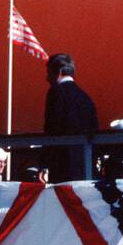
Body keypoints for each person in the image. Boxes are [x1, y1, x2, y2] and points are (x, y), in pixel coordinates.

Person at [42, 53, 98, 183]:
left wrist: (44, 163)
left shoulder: (55, 93)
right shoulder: (85, 98)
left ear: (59, 72)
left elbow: (51, 128)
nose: (47, 78)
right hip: (84, 164)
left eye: (49, 73)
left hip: (61, 165)